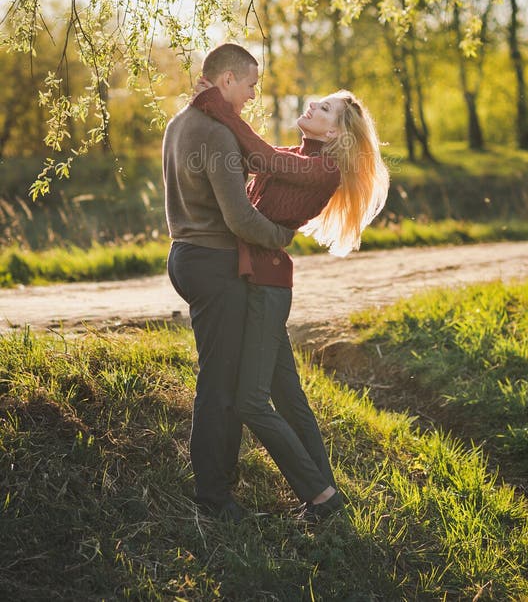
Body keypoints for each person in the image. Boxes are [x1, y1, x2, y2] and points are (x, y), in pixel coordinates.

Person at [192, 79, 389, 522]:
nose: (311, 108)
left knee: (251, 403)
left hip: (266, 289)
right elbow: (252, 155)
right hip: (260, 283)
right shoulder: (300, 156)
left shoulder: (323, 170)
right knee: (289, 396)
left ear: (335, 133)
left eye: (323, 110)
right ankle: (327, 497)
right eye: (315, 103)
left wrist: (219, 106)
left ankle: (319, 496)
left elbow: (260, 156)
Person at [162, 44, 295, 523]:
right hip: (215, 263)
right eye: (251, 84)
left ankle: (218, 490)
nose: (254, 95)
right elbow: (238, 218)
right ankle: (214, 500)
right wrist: (280, 235)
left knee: (219, 377)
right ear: (227, 81)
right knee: (220, 384)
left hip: (184, 255)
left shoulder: (178, 123)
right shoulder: (215, 131)